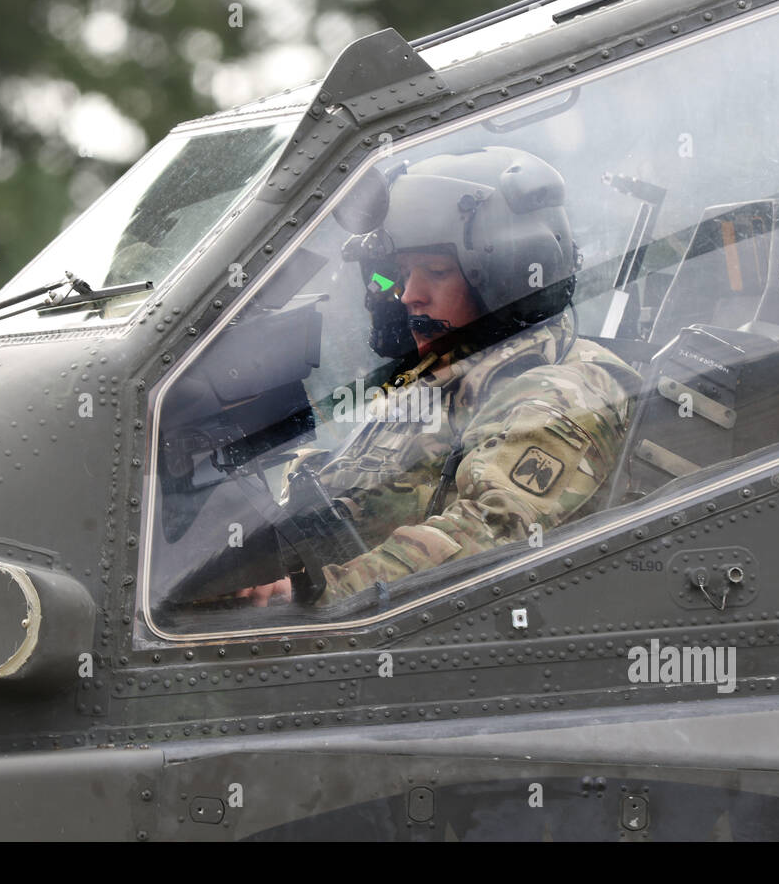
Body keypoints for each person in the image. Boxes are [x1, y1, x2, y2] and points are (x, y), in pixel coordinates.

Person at [238, 146, 639, 607]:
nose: (409, 295)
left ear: (504, 275)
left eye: (434, 271)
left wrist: (311, 592)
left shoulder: (568, 388)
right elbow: (366, 493)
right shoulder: (440, 376)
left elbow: (490, 533)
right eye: (401, 275)